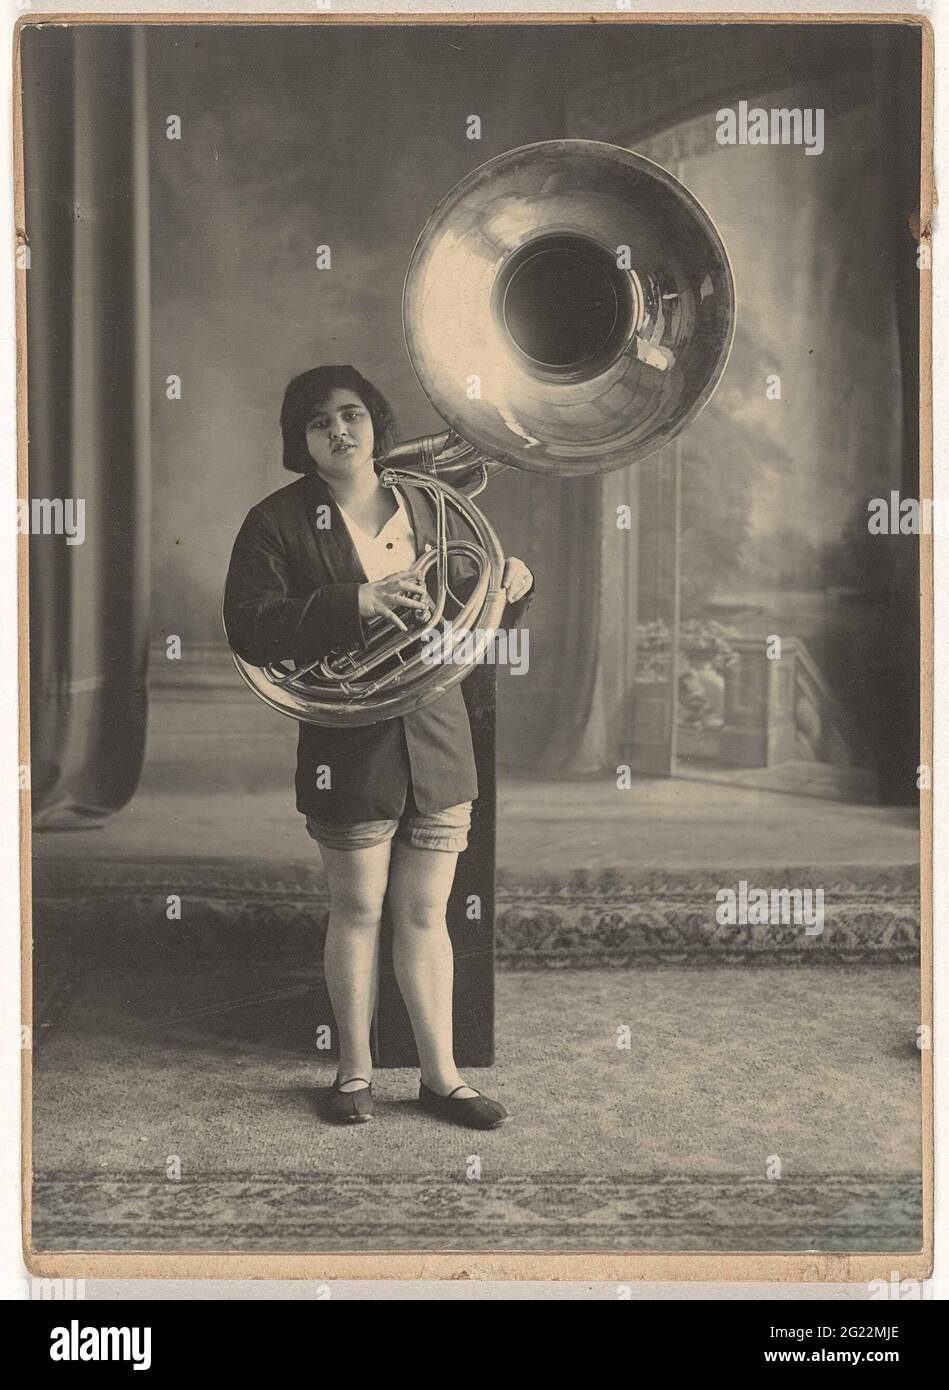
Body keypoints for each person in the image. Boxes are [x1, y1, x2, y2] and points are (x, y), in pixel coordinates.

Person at [223, 365, 534, 1129]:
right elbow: (251, 625)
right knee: (358, 908)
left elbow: (467, 629)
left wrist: (509, 592)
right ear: (300, 441)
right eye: (319, 421)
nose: (339, 430)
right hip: (349, 747)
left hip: (437, 739)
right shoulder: (276, 521)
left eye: (352, 414)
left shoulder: (431, 508)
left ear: (375, 423)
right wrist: (355, 601)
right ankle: (353, 1072)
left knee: (428, 915)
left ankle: (442, 1078)